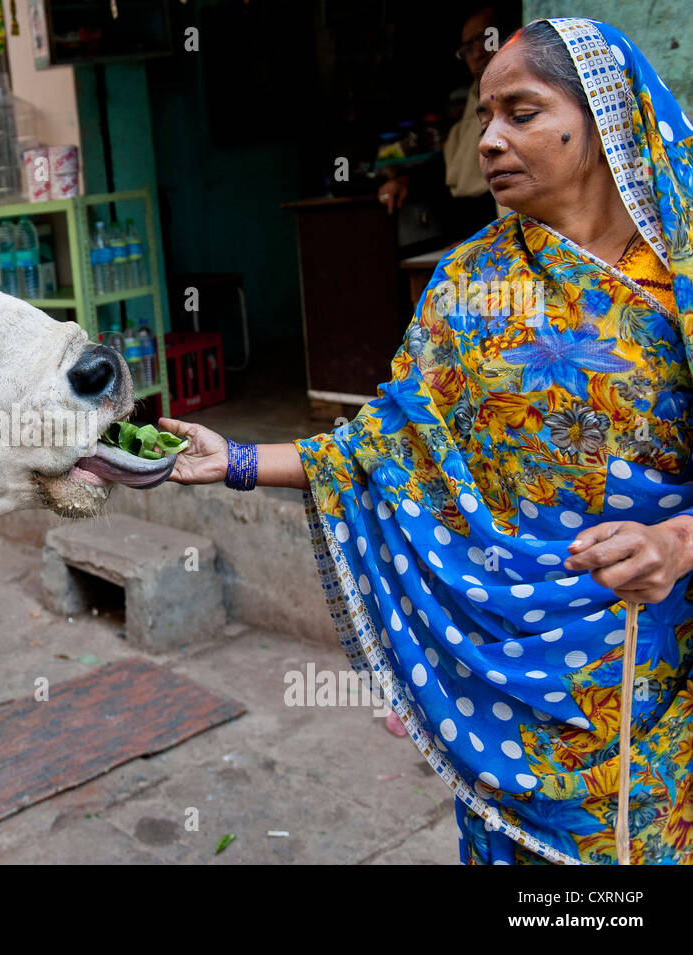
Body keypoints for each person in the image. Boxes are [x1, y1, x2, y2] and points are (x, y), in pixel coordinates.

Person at [162, 18, 693, 864]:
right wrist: (231, 459)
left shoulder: (680, 277)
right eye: (485, 116)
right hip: (508, 680)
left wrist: (676, 540)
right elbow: (390, 447)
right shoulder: (470, 284)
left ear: (605, 120)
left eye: (521, 112)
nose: (489, 140)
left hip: (657, 664)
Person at [378, 6, 516, 240]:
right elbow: (447, 167)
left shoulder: (520, 94)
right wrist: (403, 180)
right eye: (468, 48)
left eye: (485, 39)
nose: (478, 53)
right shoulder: (473, 105)